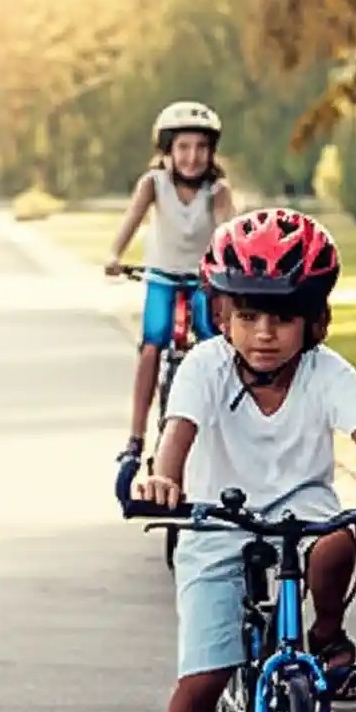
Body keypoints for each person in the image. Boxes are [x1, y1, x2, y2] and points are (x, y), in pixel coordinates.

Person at [132, 208, 356, 712]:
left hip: (302, 515)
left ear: (314, 322)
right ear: (221, 317)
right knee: (202, 684)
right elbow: (180, 429)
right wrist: (163, 480)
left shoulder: (326, 372)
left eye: (283, 318)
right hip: (216, 522)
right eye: (248, 317)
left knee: (336, 540)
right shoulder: (205, 365)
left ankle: (326, 634)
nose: (265, 333)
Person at [104, 101, 236, 468]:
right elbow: (132, 218)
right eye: (183, 147)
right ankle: (136, 436)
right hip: (161, 276)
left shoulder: (217, 190)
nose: (192, 156)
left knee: (217, 345)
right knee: (151, 345)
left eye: (201, 148)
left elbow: (229, 230)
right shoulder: (154, 184)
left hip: (205, 281)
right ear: (167, 150)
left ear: (211, 152)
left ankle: (227, 426)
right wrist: (114, 254)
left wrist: (235, 264)